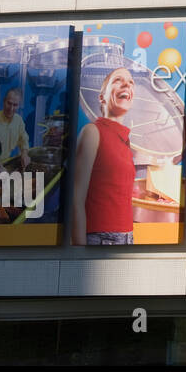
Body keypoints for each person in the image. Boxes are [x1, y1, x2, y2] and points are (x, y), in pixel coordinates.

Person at [72, 67, 137, 245]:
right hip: (101, 239)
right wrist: (79, 254)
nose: (127, 84)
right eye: (118, 80)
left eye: (131, 82)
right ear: (102, 97)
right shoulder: (93, 132)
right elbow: (75, 200)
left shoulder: (125, 139)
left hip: (127, 237)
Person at [0, 88, 31, 169]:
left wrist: (24, 154)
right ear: (4, 101)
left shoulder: (19, 120)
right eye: (9, 103)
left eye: (15, 105)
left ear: (19, 105)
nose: (11, 108)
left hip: (4, 165)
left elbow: (23, 139)